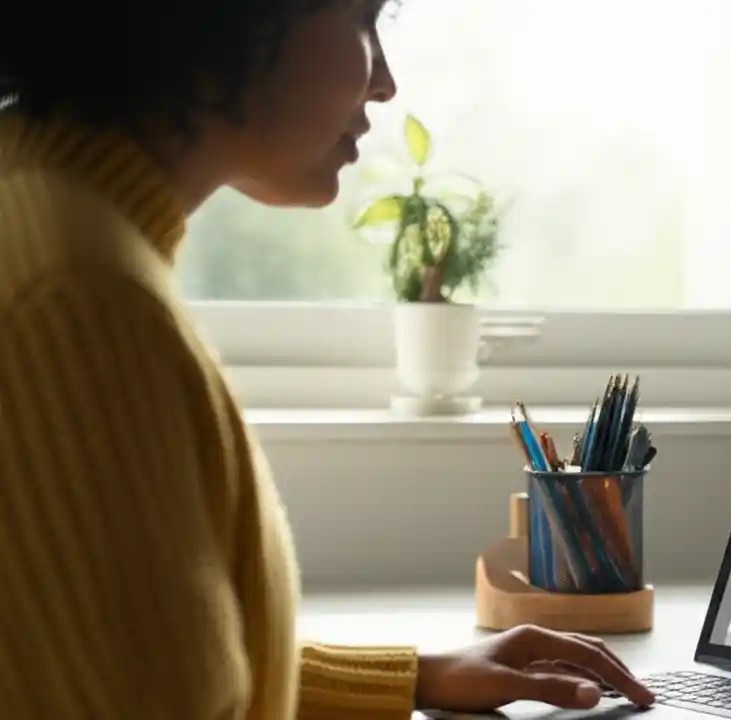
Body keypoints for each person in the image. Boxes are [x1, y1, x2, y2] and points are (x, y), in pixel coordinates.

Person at [0, 1, 654, 717]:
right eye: (363, 22)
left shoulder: (49, 224)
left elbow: (129, 659)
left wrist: (409, 677)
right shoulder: (80, 297)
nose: (386, 83)